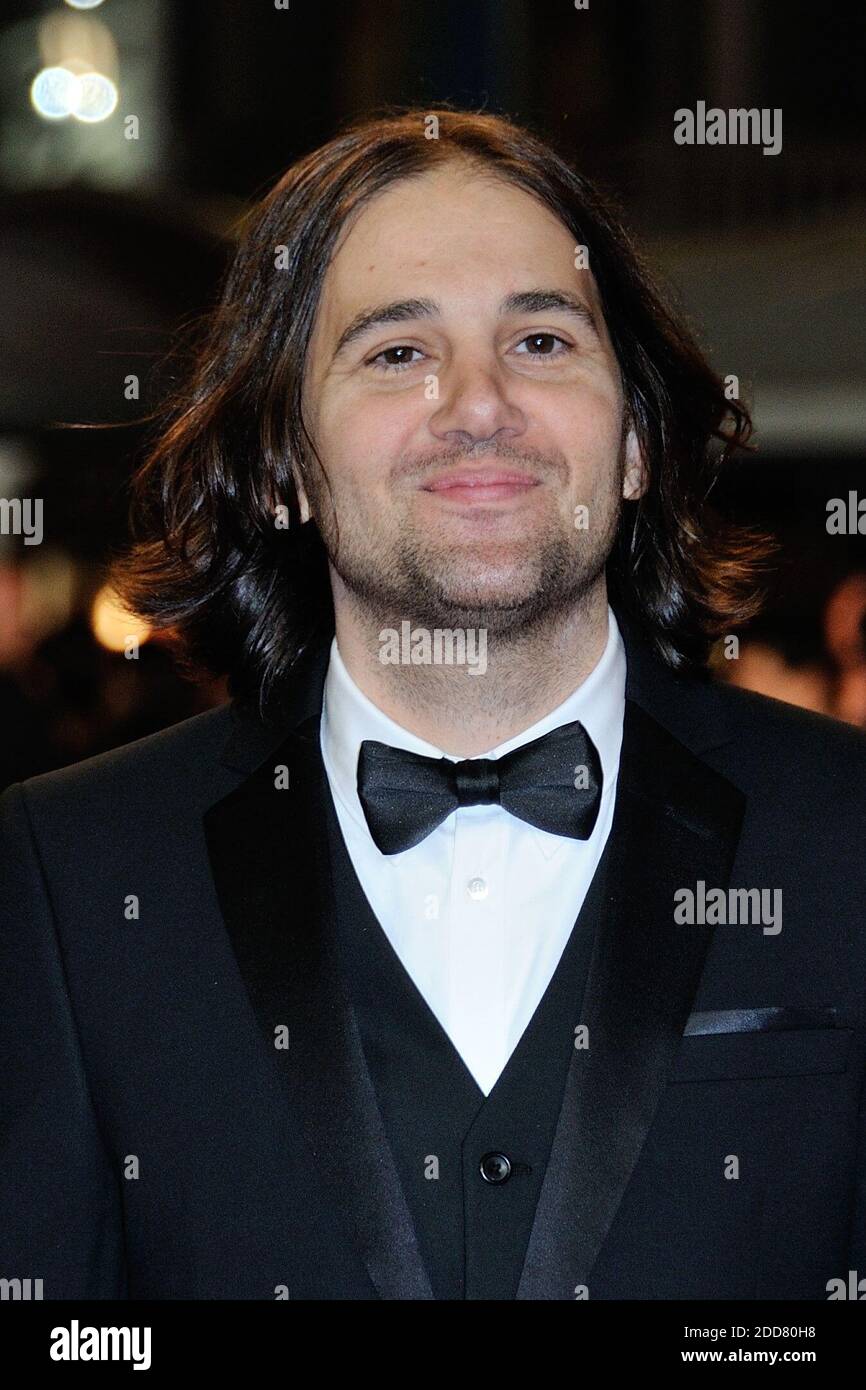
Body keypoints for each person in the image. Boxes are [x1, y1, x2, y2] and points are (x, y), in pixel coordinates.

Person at [2, 108, 865, 1302]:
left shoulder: (845, 833)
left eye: (543, 341)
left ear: (635, 444)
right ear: (285, 462)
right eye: (396, 352)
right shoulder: (68, 873)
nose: (475, 404)